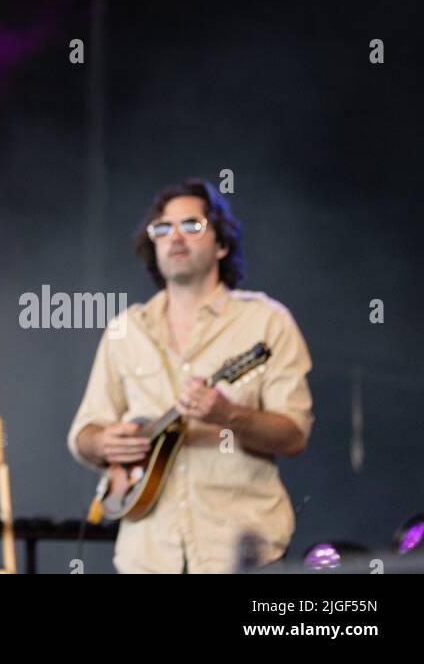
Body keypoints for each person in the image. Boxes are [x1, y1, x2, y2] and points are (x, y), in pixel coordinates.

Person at [67, 180, 313, 572]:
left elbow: (295, 435)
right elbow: (82, 436)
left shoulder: (266, 321)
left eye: (192, 225)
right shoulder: (124, 329)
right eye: (162, 228)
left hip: (238, 553)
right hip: (146, 556)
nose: (175, 236)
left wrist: (230, 416)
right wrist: (103, 441)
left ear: (222, 244)